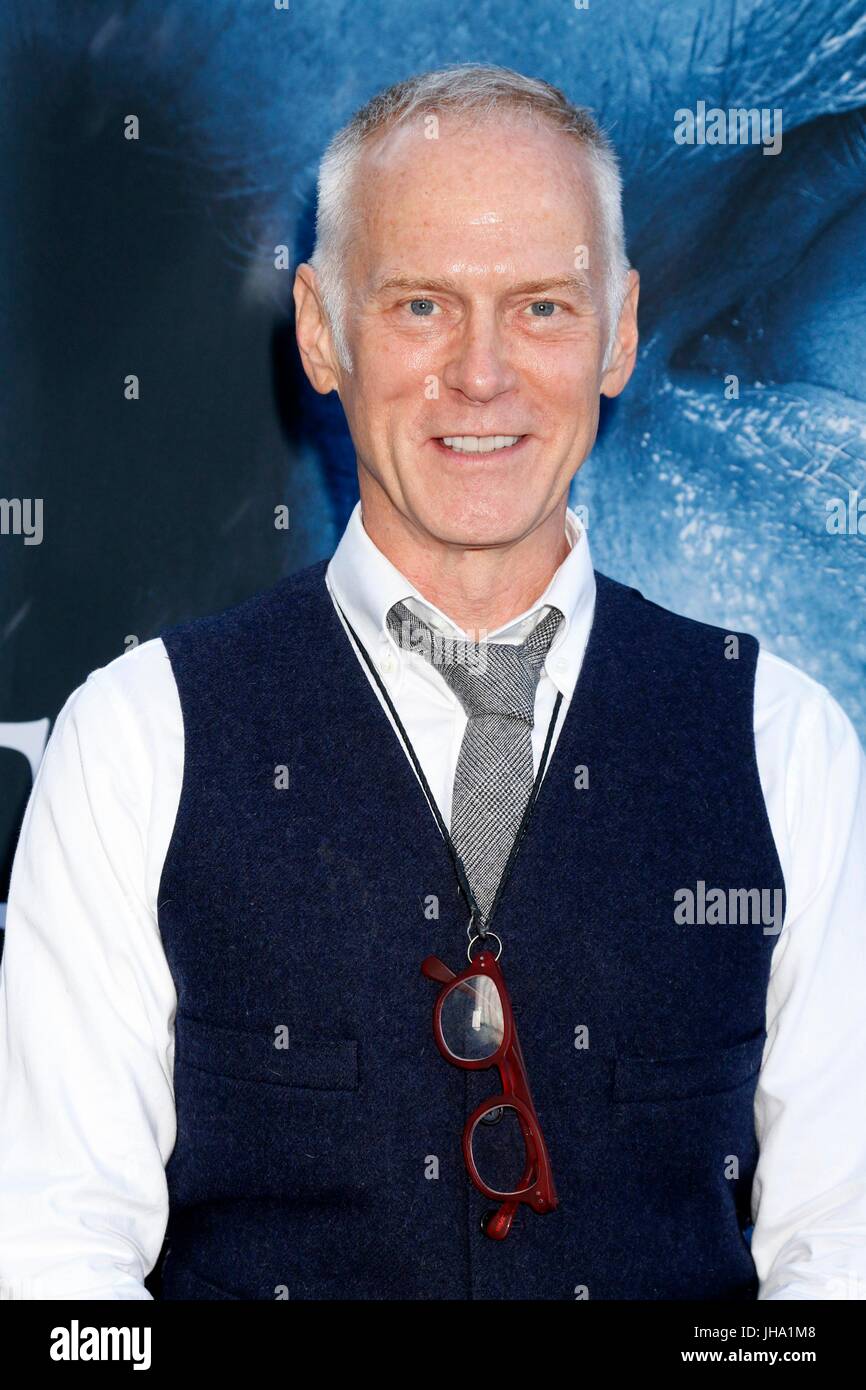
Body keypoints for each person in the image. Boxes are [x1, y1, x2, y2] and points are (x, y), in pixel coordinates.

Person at [1, 63, 864, 1301]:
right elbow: (51, 1265)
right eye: (418, 306)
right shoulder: (138, 744)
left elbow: (838, 1250)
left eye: (541, 310)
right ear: (319, 329)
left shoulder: (784, 744)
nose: (480, 375)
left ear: (617, 329)